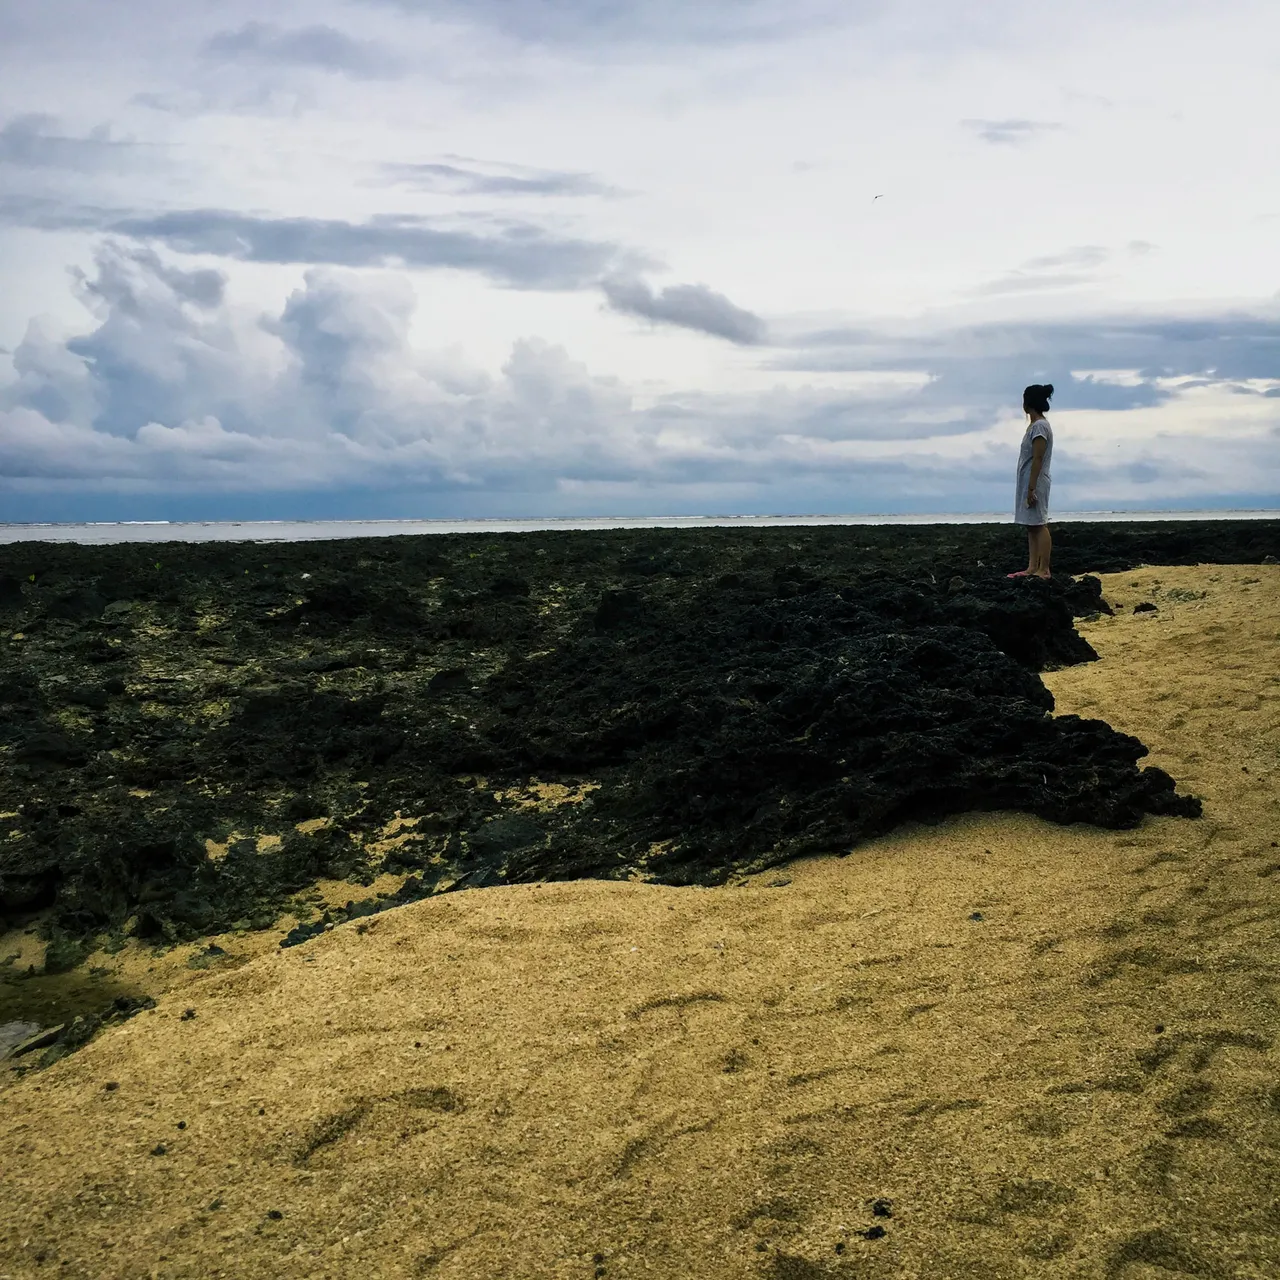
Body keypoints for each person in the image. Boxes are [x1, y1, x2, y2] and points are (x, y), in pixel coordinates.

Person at [1008, 383, 1054, 579]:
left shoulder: (1040, 426)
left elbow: (1038, 458)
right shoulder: (1033, 426)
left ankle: (1044, 569)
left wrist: (1031, 488)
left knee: (1039, 523)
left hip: (1035, 482)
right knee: (1031, 524)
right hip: (1028, 481)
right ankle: (1032, 567)